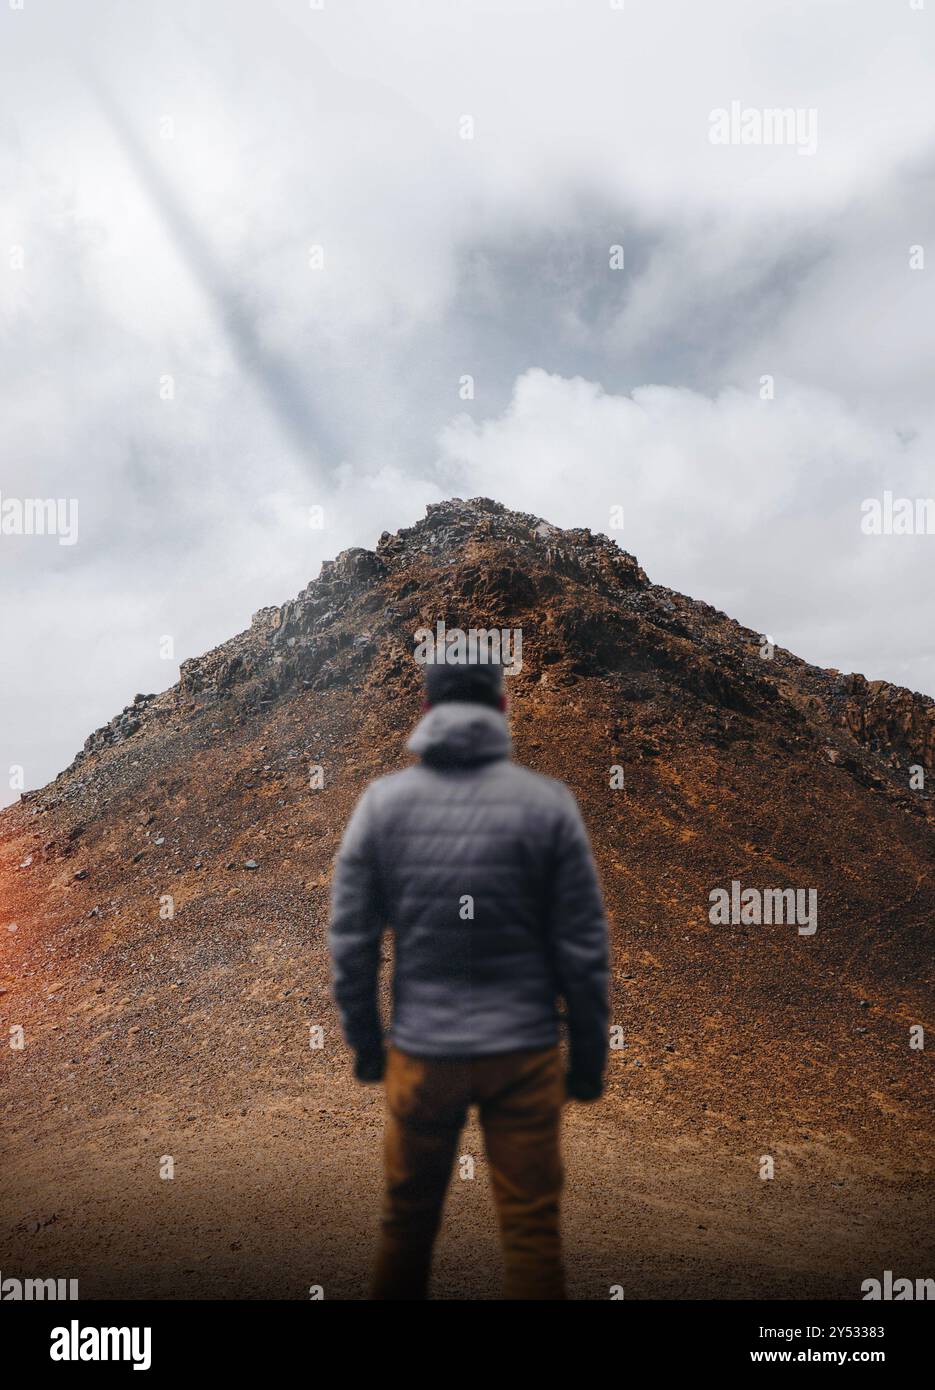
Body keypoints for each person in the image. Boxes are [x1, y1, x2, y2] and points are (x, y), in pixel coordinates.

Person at [328, 650, 609, 1299]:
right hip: (526, 1052)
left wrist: (369, 1048)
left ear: (427, 712)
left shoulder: (381, 806)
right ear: (502, 710)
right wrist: (587, 1059)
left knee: (404, 1226)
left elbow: (352, 943)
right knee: (532, 1230)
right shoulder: (548, 805)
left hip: (424, 1055)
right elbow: (582, 946)